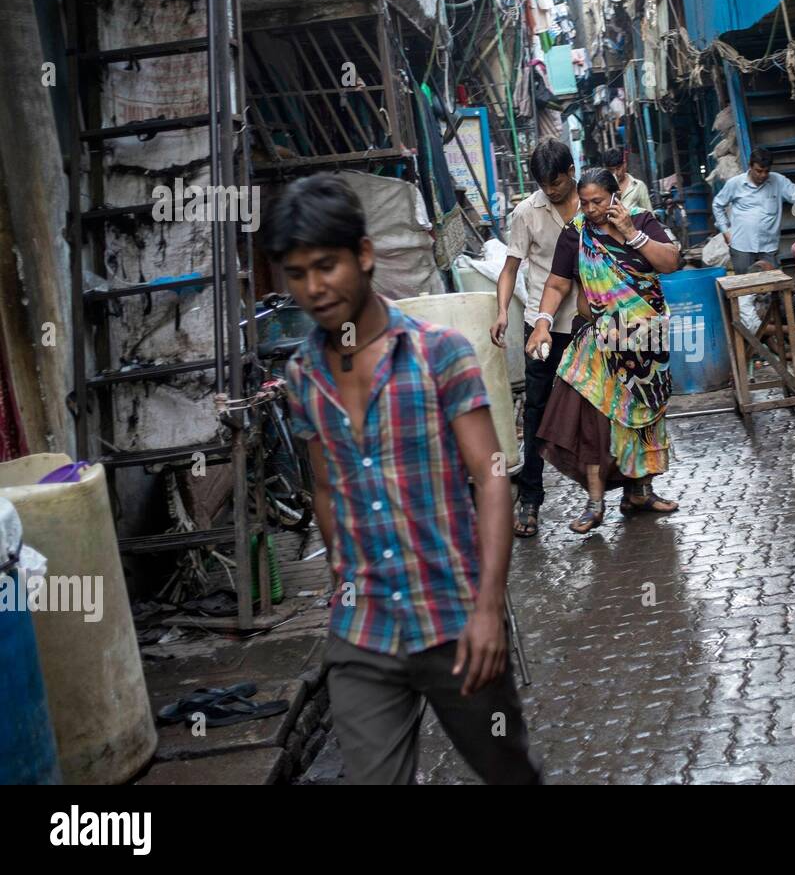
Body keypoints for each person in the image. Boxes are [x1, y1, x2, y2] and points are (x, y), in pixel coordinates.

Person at [267, 174, 540, 785]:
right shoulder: (302, 374)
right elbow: (325, 486)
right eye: (296, 272)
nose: (313, 287)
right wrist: (342, 574)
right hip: (364, 634)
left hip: (455, 620)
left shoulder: (439, 354)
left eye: (326, 265)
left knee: (509, 772)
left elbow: (492, 477)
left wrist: (489, 606)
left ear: (363, 256)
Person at [526, 168, 682, 533]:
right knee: (594, 424)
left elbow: (670, 263)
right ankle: (595, 504)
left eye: (597, 201)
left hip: (646, 345)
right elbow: (558, 282)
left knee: (646, 418)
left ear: (616, 197)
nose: (591, 209)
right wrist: (543, 321)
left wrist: (632, 234)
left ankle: (640, 493)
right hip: (600, 341)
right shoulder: (576, 234)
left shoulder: (643, 221)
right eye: (585, 202)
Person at [493, 138, 581, 538]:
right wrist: (500, 312)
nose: (552, 190)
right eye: (545, 184)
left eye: (557, 182)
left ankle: (628, 489)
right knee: (537, 411)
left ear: (571, 172)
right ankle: (530, 498)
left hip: (590, 321)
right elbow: (511, 268)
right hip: (542, 326)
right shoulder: (526, 213)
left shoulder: (592, 202)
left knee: (604, 405)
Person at [711, 146, 795, 272]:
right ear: (750, 166)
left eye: (766, 171)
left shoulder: (778, 181)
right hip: (742, 246)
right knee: (746, 286)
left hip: (768, 247)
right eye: (758, 171)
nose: (763, 175)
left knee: (772, 285)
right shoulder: (735, 184)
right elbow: (717, 205)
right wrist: (725, 231)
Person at [600, 146, 653, 214]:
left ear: (624, 164)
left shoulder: (638, 186)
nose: (615, 173)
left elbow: (649, 214)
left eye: (618, 168)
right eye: (611, 170)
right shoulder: (602, 188)